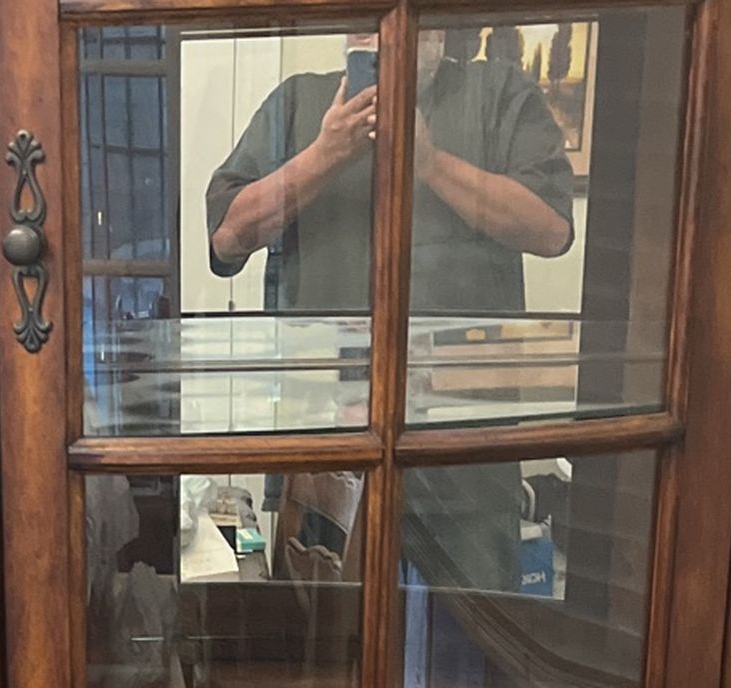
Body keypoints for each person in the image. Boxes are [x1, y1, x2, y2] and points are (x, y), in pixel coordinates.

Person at [206, 34, 575, 591]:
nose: (378, 37)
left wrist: (425, 159)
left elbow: (550, 230)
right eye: (362, 22)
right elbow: (227, 236)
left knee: (472, 651)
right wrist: (326, 153)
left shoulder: (497, 91)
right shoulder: (296, 102)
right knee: (322, 652)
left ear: (440, 29)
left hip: (467, 455)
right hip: (323, 451)